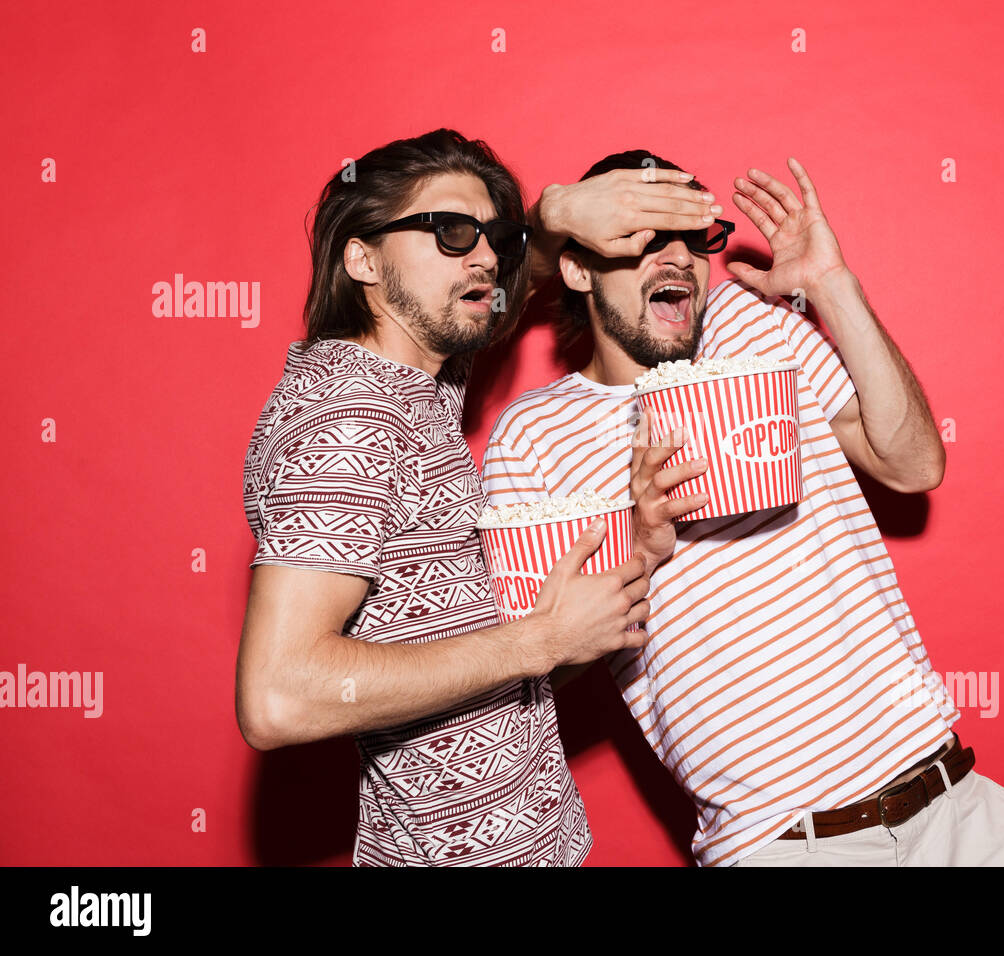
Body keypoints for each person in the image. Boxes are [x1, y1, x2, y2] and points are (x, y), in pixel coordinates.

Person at [482, 149, 1004, 867]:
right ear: (578, 269)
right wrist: (641, 548)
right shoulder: (534, 437)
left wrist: (831, 285)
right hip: (787, 846)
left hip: (951, 806)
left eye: (692, 237)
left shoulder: (754, 329)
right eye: (641, 238)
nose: (677, 258)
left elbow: (914, 465)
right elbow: (529, 674)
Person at [237, 129, 718, 866]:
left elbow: (505, 292)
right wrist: (539, 641)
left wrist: (638, 553)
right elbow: (278, 697)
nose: (487, 257)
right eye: (451, 231)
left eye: (494, 238)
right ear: (362, 258)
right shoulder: (349, 419)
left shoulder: (420, 383)